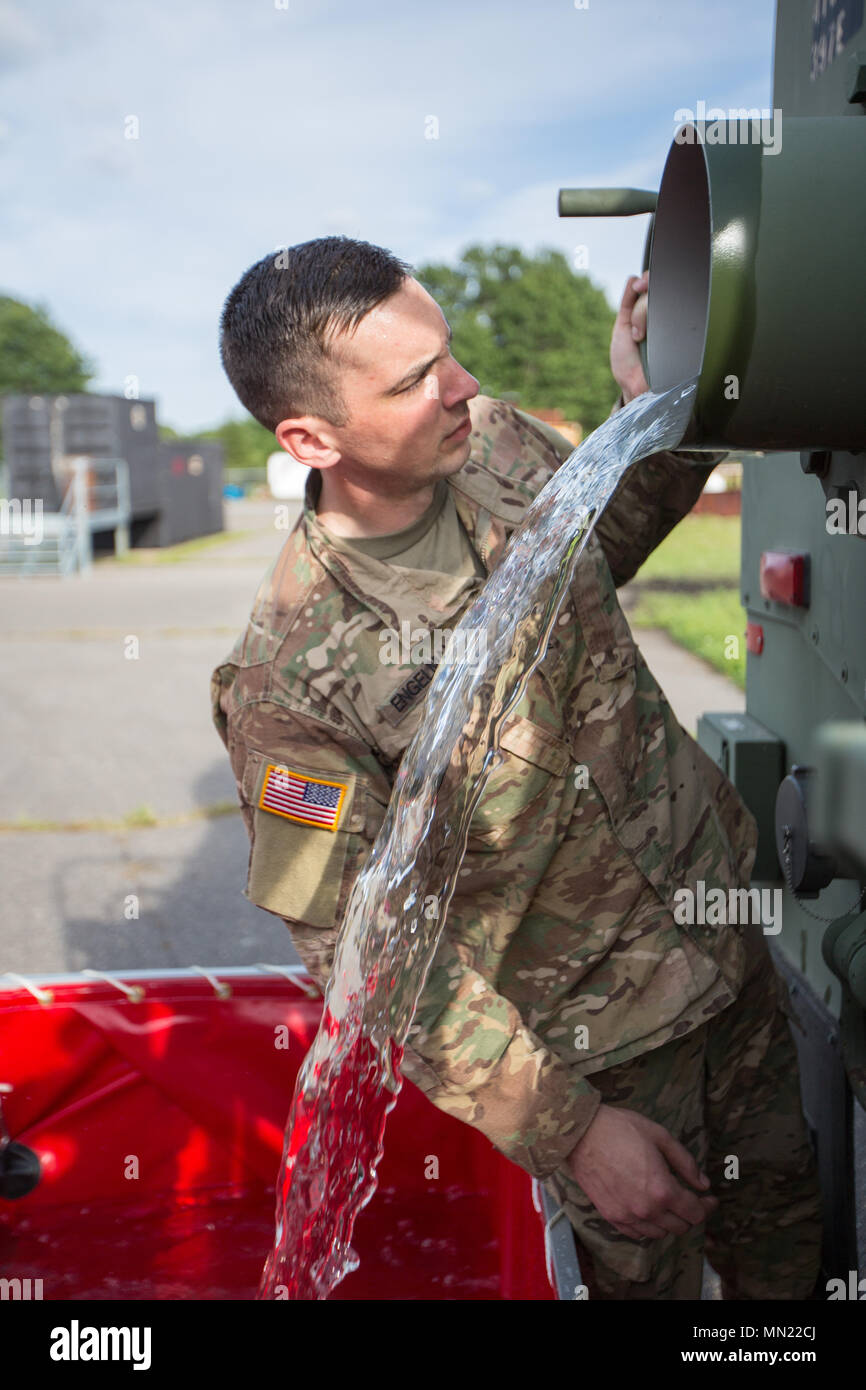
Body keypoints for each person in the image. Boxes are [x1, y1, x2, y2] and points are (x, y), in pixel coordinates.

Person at [211, 236, 822, 1300]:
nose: (464, 388)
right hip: (603, 1054)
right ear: (311, 437)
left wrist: (652, 416)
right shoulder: (284, 686)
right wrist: (573, 1131)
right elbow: (365, 955)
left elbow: (599, 548)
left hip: (724, 947)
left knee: (788, 1250)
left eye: (447, 353)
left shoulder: (488, 445)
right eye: (413, 381)